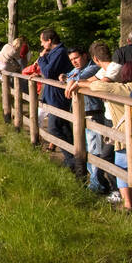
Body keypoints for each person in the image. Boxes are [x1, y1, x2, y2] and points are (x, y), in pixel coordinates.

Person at [86, 63, 132, 211]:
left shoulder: (121, 89)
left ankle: (127, 203)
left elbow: (96, 86)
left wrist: (77, 83)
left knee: (121, 168)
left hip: (126, 135)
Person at [63, 46, 111, 193]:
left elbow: (77, 78)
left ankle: (98, 185)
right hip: (81, 113)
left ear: (85, 56)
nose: (74, 62)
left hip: (93, 113)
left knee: (95, 150)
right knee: (86, 149)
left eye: (76, 58)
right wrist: (68, 78)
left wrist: (71, 80)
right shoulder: (79, 69)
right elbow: (68, 76)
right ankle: (96, 182)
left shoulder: (93, 68)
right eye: (71, 60)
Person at [37, 28, 74, 167]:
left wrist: (41, 58)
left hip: (58, 96)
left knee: (54, 128)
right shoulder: (54, 53)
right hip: (53, 95)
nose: (41, 44)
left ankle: (72, 159)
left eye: (42, 41)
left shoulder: (59, 52)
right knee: (63, 127)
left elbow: (48, 71)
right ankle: (71, 159)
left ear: (49, 41)